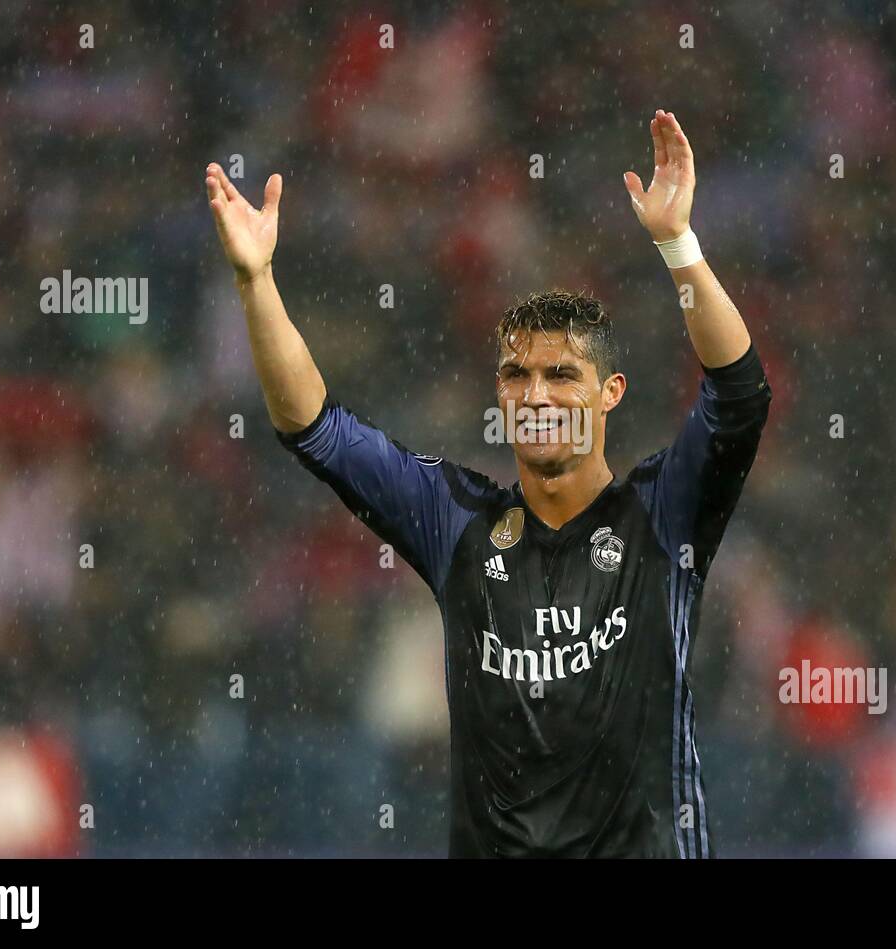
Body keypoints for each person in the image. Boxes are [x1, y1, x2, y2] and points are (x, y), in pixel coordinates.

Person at [205, 109, 773, 857]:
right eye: (517, 375)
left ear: (611, 392)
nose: (535, 395)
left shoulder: (662, 515)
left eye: (561, 374)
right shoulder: (457, 520)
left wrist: (678, 243)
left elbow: (739, 394)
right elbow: (316, 429)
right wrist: (257, 282)